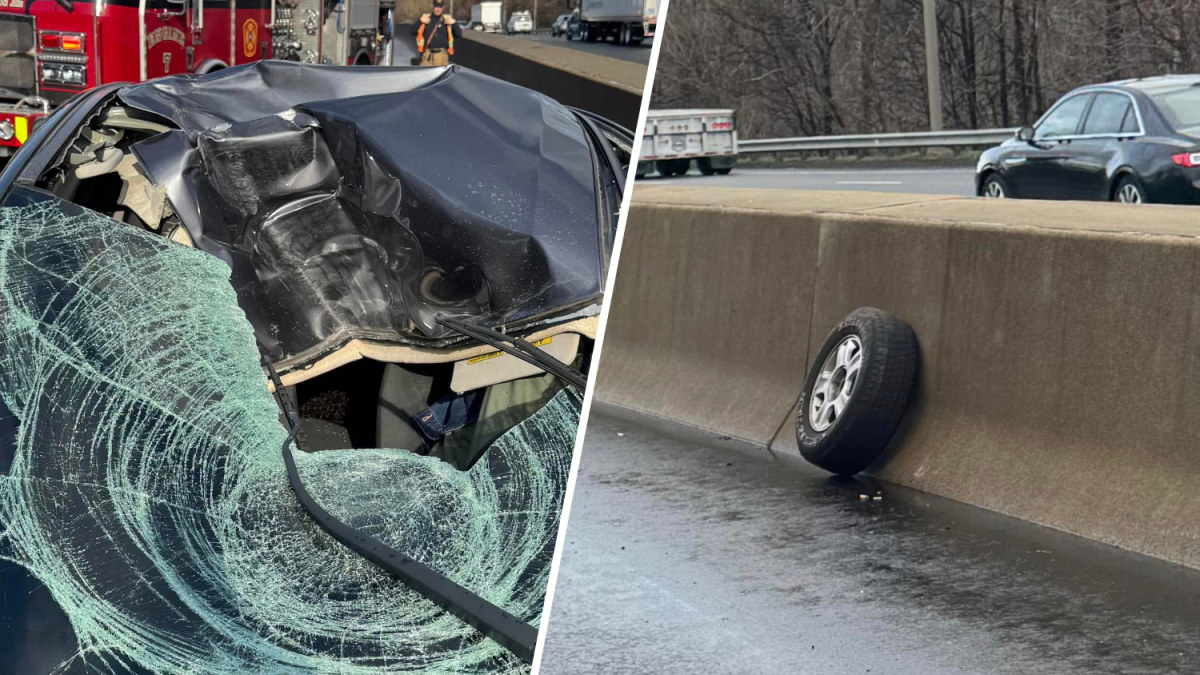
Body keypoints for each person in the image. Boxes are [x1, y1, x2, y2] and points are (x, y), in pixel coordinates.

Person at [411, 0, 460, 67]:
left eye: (440, 7)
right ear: (432, 6)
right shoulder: (426, 19)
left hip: (442, 56)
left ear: (443, 8)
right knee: (425, 76)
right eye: (436, 6)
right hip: (427, 55)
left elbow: (459, 35)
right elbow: (411, 32)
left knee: (441, 77)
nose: (438, 9)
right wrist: (419, 21)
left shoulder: (447, 20)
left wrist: (454, 24)